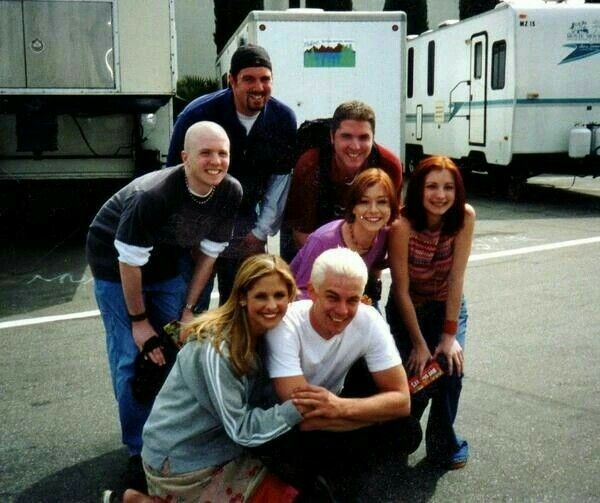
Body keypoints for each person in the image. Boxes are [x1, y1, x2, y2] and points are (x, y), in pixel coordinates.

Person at [87, 121, 242, 489]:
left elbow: (209, 254)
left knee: (174, 345)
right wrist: (139, 322)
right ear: (185, 157)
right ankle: (138, 451)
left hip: (166, 258)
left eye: (223, 153)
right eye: (206, 153)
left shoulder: (229, 191)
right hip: (116, 263)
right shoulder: (154, 195)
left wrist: (189, 309)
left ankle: (168, 435)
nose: (216, 161)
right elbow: (129, 262)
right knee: (132, 355)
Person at [102, 254, 304, 503]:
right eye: (261, 296)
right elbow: (240, 430)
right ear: (241, 297)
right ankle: (138, 499)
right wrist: (298, 408)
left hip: (218, 444)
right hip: (183, 460)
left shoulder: (269, 333)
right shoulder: (218, 347)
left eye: (279, 296)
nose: (272, 305)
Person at [259, 248, 422, 496]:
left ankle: (337, 477)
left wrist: (340, 407)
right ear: (312, 291)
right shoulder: (287, 325)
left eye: (353, 300)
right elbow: (303, 417)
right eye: (333, 297)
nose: (342, 310)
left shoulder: (369, 320)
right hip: (284, 423)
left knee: (407, 429)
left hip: (331, 411)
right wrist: (372, 414)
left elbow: (401, 401)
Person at [167, 44, 297, 308]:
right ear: (232, 80)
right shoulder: (197, 115)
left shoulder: (283, 119)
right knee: (192, 306)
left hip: (245, 218)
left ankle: (235, 350)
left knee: (241, 306)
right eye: (249, 79)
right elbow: (173, 180)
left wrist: (260, 233)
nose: (258, 87)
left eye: (265, 79)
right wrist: (190, 235)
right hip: (198, 215)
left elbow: (279, 182)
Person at [385, 155, 476, 470]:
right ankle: (400, 437)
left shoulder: (464, 217)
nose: (441, 195)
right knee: (415, 374)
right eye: (432, 186)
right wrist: (420, 344)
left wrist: (449, 335)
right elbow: (400, 290)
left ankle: (443, 444)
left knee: (450, 368)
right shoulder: (402, 224)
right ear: (418, 190)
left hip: (446, 306)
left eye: (448, 187)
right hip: (408, 308)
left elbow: (456, 279)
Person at [283, 100, 403, 257]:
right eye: (346, 136)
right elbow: (302, 235)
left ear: (373, 138)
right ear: (332, 137)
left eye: (363, 138)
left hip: (365, 245)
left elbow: (390, 225)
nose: (355, 146)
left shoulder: (388, 166)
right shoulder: (311, 164)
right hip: (314, 242)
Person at [290, 168, 398, 301]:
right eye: (364, 202)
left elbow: (376, 267)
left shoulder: (384, 235)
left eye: (382, 202)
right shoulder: (323, 240)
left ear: (391, 207)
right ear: (353, 207)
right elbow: (301, 293)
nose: (373, 210)